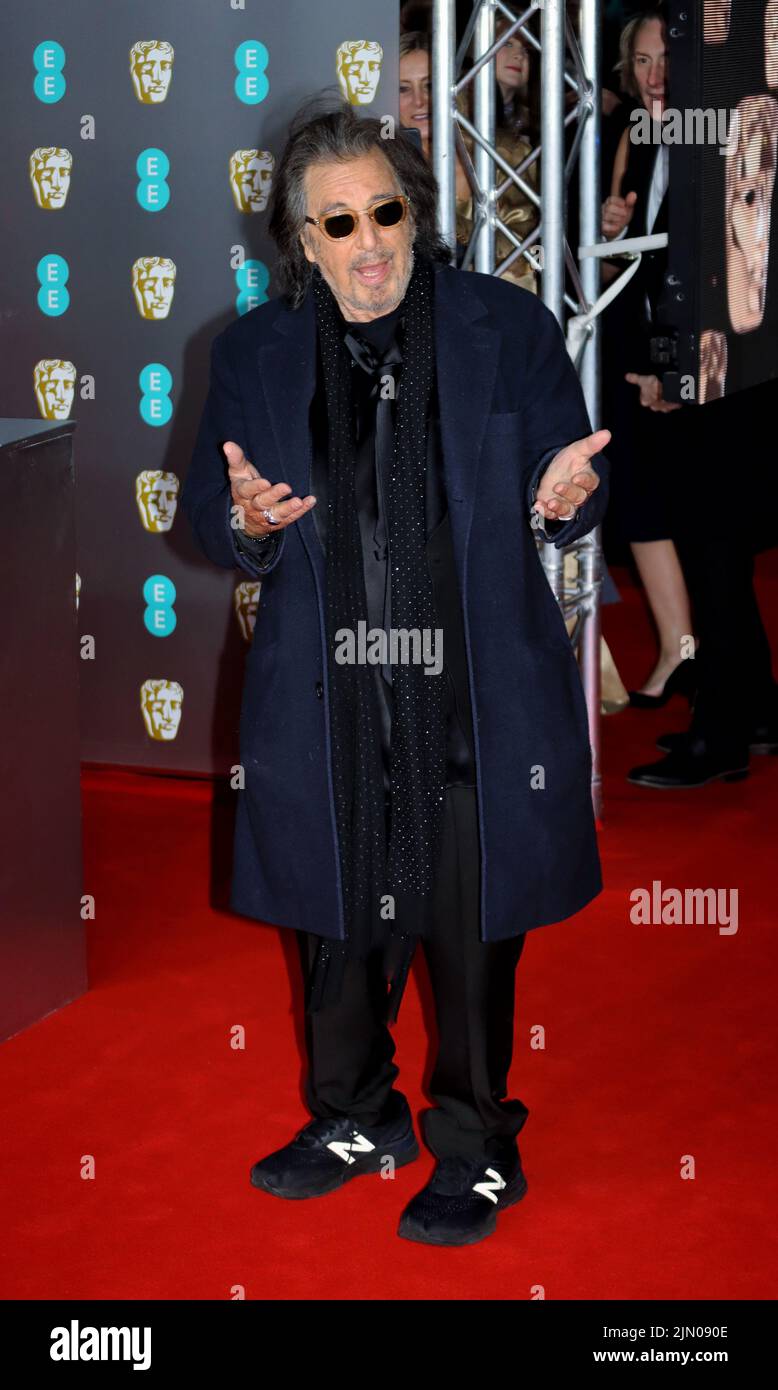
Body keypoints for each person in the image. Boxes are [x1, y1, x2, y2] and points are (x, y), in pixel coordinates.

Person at [181, 99, 610, 1247]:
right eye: (338, 223)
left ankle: (476, 1145)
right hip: (327, 696)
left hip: (473, 688)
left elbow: (571, 474)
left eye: (386, 210)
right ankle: (356, 1118)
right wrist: (248, 521)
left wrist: (563, 500)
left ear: (417, 210)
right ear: (302, 242)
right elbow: (208, 513)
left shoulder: (503, 327)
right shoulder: (255, 354)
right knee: (336, 928)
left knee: (468, 931)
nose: (368, 241)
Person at [600, 6, 699, 710]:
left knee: (699, 513)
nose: (654, 74)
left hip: (708, 359)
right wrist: (608, 230)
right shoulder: (617, 136)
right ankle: (679, 650)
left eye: (664, 57)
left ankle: (706, 665)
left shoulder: (718, 137)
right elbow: (601, 275)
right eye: (641, 61)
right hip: (632, 351)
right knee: (640, 502)